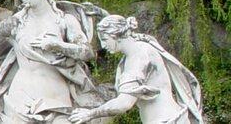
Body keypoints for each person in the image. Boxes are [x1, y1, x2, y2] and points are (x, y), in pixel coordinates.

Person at [68, 15, 203, 124]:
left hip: (166, 120)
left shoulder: (139, 55)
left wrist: (90, 114)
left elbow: (124, 103)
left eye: (105, 39)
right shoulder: (133, 54)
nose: (103, 45)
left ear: (116, 35)